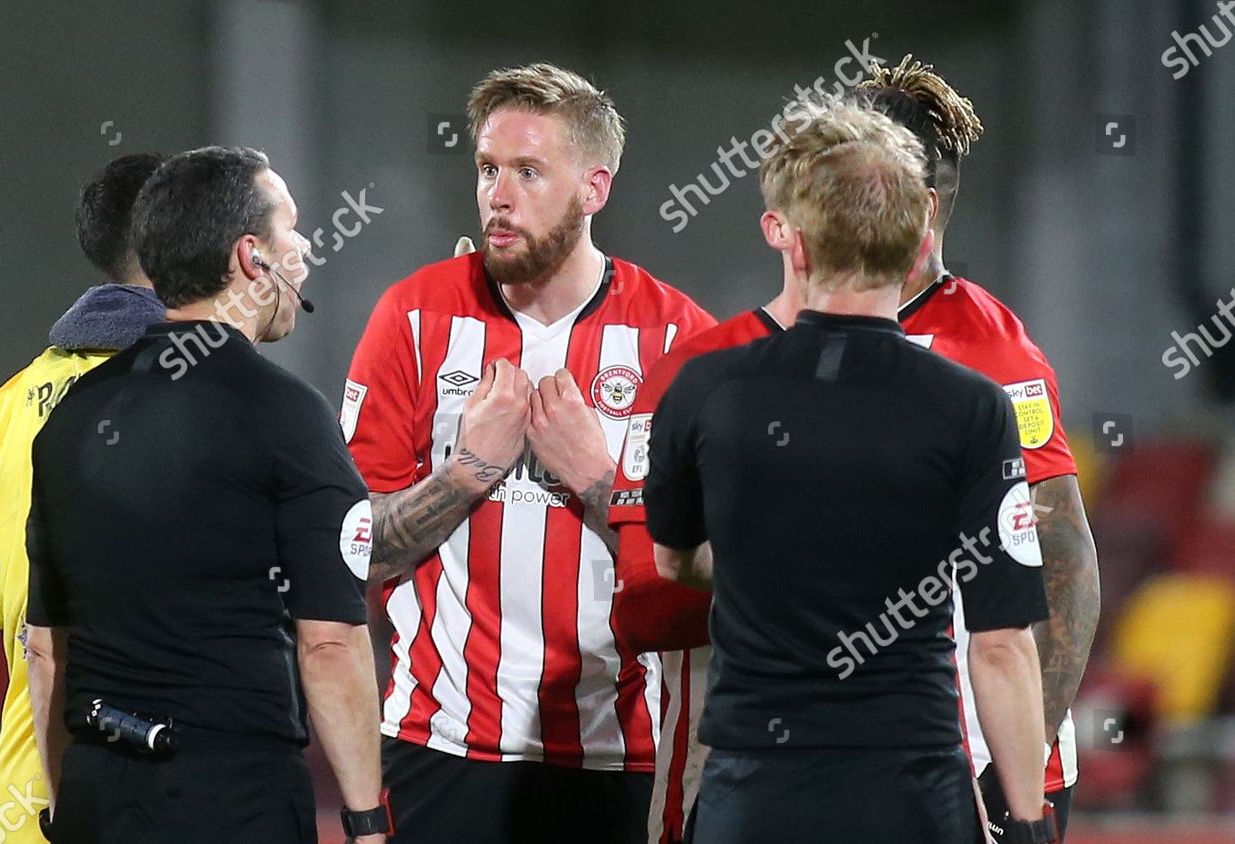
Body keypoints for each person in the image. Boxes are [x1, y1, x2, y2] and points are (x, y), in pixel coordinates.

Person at [645, 100, 1058, 844]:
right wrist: (1028, 823)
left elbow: (671, 560)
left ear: (796, 246)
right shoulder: (973, 408)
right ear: (918, 240)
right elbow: (1001, 643)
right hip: (910, 786)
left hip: (754, 789)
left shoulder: (707, 389)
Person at [342, 63, 714, 843]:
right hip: (439, 746)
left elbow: (710, 580)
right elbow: (353, 552)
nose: (497, 196)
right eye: (487, 169)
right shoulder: (413, 316)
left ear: (594, 188)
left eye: (528, 171)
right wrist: (466, 472)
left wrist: (602, 482)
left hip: (619, 756)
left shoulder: (679, 339)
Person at [23, 146, 388, 844]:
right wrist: (368, 823)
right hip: (231, 796)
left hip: (97, 795)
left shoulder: (71, 415)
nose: (306, 249)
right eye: (291, 230)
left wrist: (69, 808)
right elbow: (331, 644)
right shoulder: (288, 415)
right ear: (252, 258)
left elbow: (45, 651)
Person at [0, 152, 167, 843]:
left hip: (31, 783)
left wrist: (26, 605)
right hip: (159, 779)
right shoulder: (195, 388)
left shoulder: (12, 401)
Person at [860, 56, 1099, 842]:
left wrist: (1014, 766)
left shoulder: (992, 353)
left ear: (922, 205)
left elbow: (1068, 570)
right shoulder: (806, 337)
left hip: (976, 760)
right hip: (849, 756)